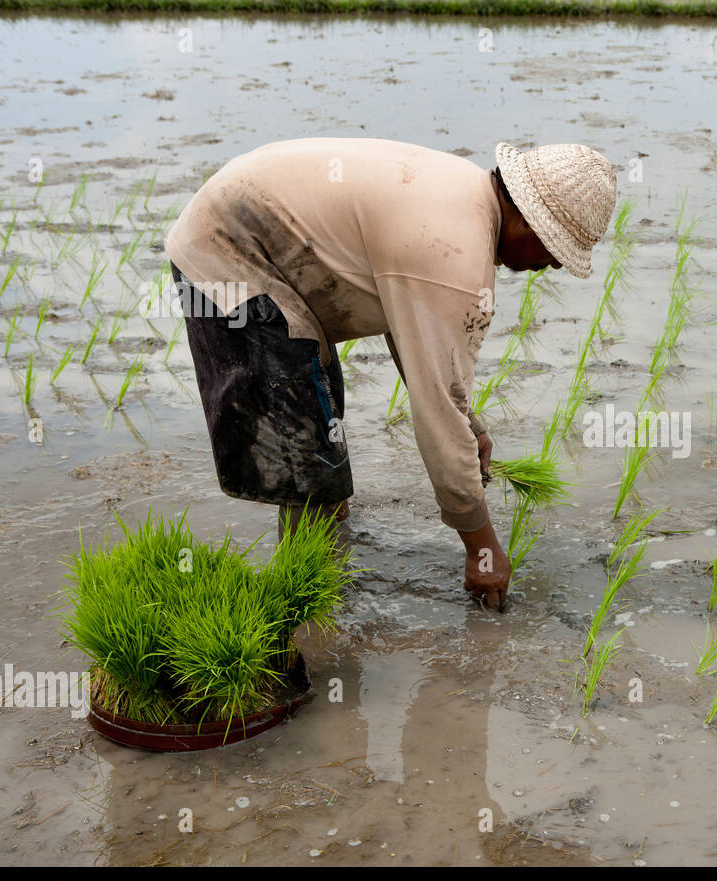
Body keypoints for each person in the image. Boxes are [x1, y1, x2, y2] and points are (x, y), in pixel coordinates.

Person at [164, 139, 617, 609]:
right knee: (309, 462)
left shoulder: (463, 196)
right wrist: (483, 550)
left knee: (321, 438)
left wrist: (471, 426)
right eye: (554, 247)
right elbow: (435, 415)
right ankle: (294, 621)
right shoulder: (454, 255)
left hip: (259, 242)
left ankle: (317, 586)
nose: (554, 264)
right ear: (526, 218)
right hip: (227, 252)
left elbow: (422, 349)